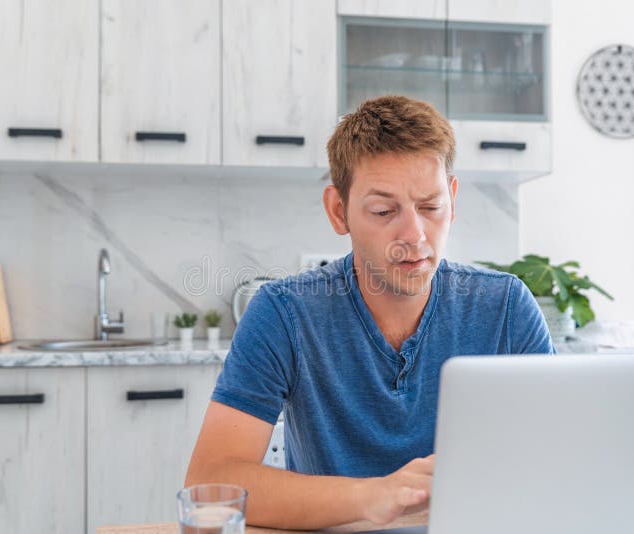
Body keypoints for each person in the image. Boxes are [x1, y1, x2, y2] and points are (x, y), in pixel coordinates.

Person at [185, 95, 555, 529]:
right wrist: (375, 496)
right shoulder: (284, 314)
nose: (415, 235)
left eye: (431, 207)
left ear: (452, 200)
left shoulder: (506, 307)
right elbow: (211, 482)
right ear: (338, 211)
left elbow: (555, 463)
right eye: (384, 210)